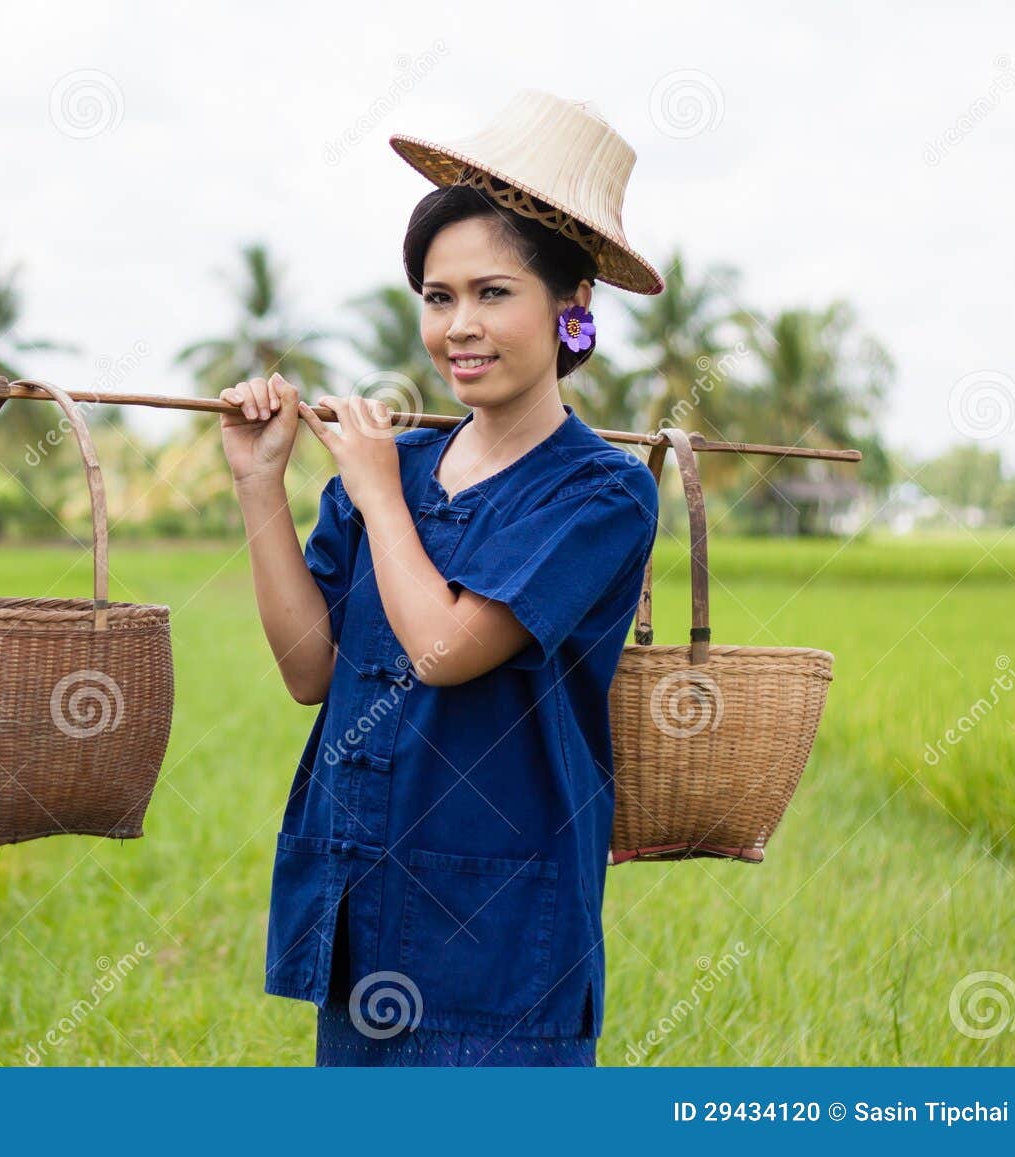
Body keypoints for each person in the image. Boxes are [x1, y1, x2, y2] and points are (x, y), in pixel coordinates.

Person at [218, 91, 665, 1066]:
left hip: (504, 930)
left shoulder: (601, 492)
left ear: (573, 306)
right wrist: (260, 483)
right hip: (364, 897)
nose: (460, 325)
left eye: (493, 293)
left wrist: (377, 492)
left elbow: (445, 648)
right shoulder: (398, 466)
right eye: (437, 296)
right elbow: (308, 670)